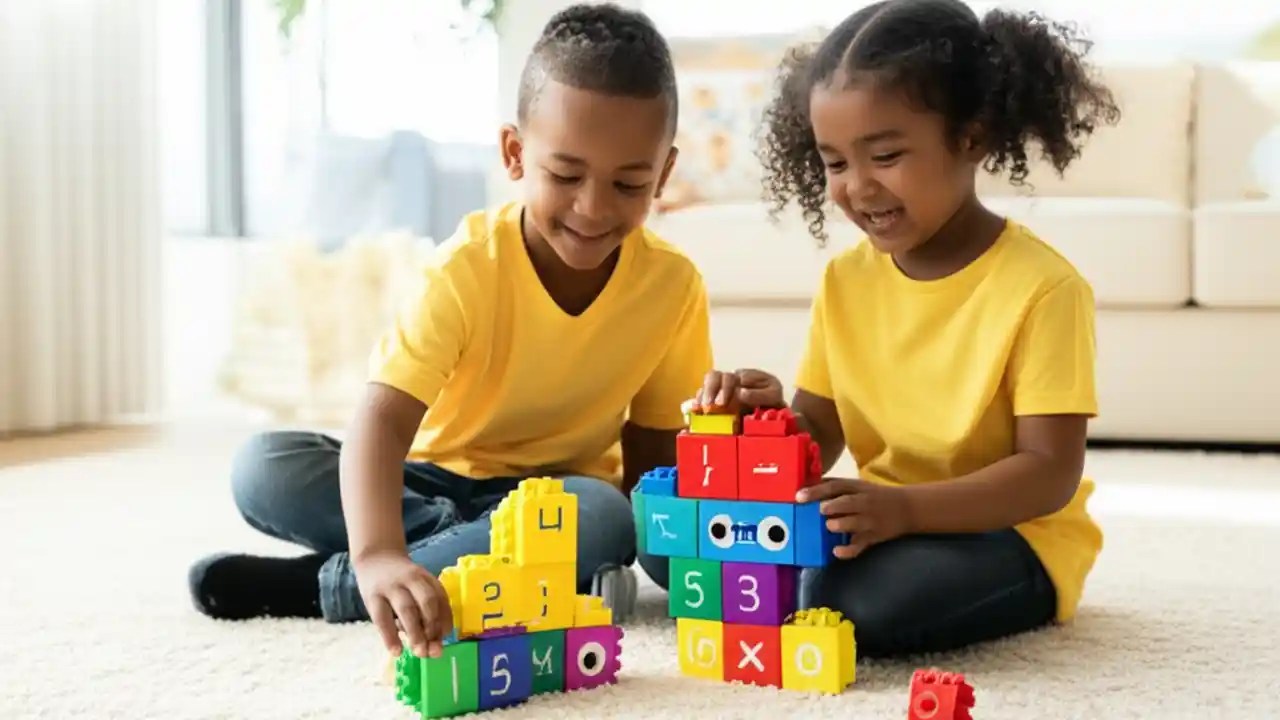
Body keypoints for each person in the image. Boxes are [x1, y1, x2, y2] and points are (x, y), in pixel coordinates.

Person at [188, 2, 713, 662]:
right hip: (429, 479)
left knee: (606, 519)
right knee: (263, 467)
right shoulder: (466, 267)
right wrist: (380, 548)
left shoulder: (673, 286)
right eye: (566, 175)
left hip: (557, 497)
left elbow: (654, 463)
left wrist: (673, 540)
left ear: (662, 174)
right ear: (515, 154)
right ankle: (456, 564)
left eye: (628, 183)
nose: (593, 207)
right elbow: (380, 422)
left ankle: (332, 587)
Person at [685, 0, 1121, 658]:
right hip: (888, 520)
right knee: (693, 547)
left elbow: (1048, 474)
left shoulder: (1044, 289)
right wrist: (767, 426)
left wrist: (908, 511)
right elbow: (821, 431)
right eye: (834, 163)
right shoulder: (846, 281)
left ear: (970, 137)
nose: (858, 188)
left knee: (855, 605)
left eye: (885, 155)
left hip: (1014, 534)